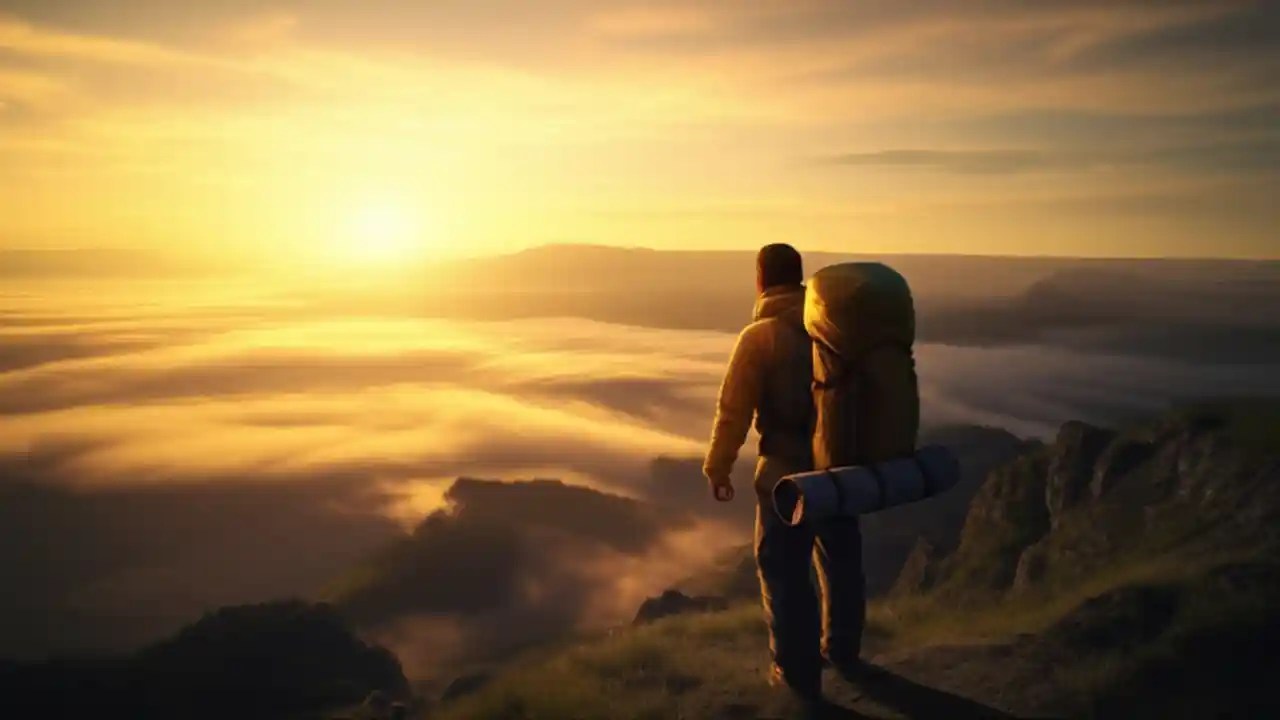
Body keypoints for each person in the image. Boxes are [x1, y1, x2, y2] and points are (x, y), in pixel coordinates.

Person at [703, 244, 866, 710]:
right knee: (841, 558)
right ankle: (843, 651)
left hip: (786, 476)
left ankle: (797, 677)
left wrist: (717, 466)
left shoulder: (760, 337)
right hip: (840, 467)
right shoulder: (833, 330)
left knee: (783, 569)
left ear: (760, 281)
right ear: (800, 281)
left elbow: (733, 411)